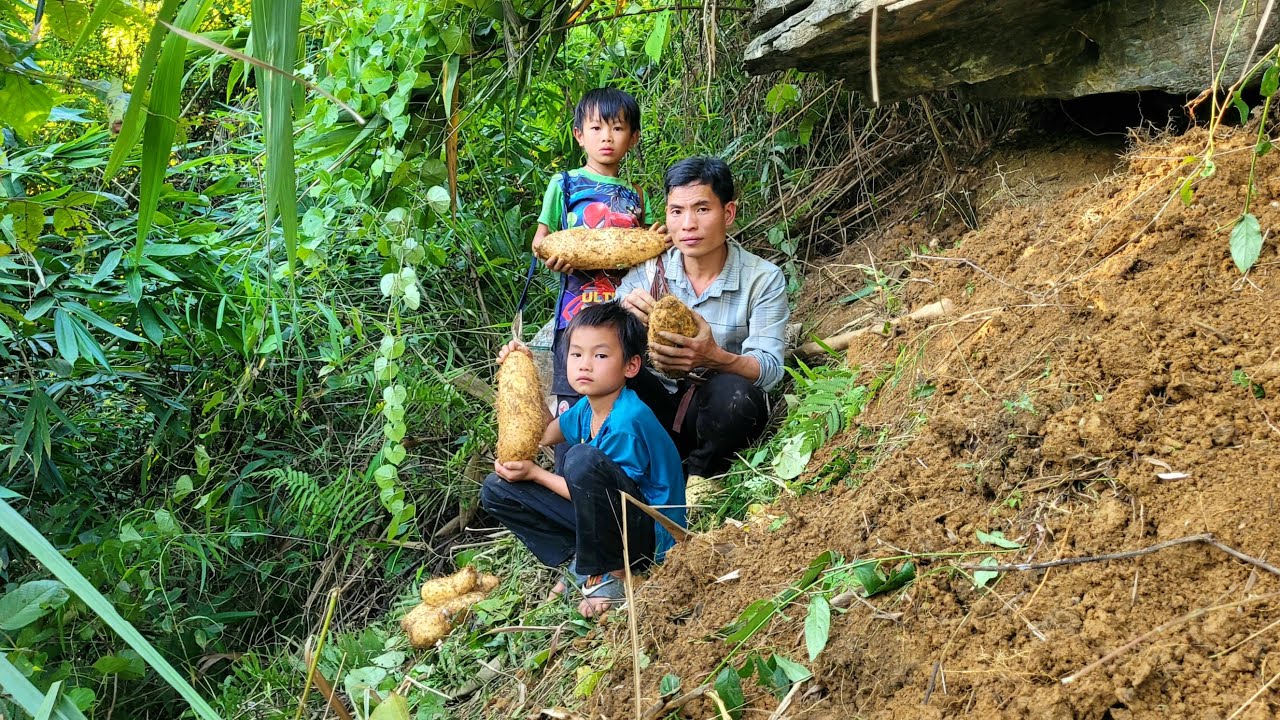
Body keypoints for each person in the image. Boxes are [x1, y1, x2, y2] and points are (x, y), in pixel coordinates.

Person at [480, 302, 685, 618]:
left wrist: (536, 473)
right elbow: (546, 432)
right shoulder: (588, 408)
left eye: (600, 356)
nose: (584, 365)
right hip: (613, 521)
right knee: (497, 489)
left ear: (631, 366)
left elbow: (612, 498)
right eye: (577, 354)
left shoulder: (627, 420)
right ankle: (583, 559)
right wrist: (524, 372)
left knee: (580, 460)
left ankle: (621, 574)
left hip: (650, 536)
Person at [617, 156, 789, 496]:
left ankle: (700, 478)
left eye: (702, 209)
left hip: (711, 412)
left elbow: (770, 369)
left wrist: (714, 357)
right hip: (657, 406)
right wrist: (623, 314)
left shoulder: (762, 279)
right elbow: (605, 340)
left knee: (737, 397)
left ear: (728, 213)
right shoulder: (649, 271)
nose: (688, 224)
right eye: (676, 211)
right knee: (614, 373)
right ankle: (634, 476)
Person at [532, 87, 656, 430]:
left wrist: (658, 237)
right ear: (579, 136)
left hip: (624, 315)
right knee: (573, 404)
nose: (607, 138)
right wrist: (552, 257)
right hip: (575, 315)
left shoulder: (636, 194)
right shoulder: (565, 185)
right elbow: (540, 240)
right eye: (597, 128)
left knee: (622, 400)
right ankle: (569, 475)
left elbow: (644, 251)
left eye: (617, 129)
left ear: (633, 138)